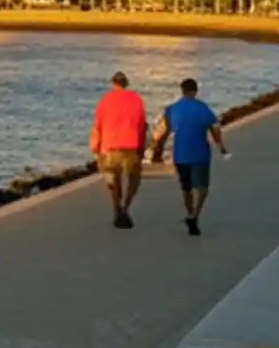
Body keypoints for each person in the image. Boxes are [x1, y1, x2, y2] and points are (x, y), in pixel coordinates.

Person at [152, 78, 228, 236]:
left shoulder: (172, 109)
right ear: (195, 91)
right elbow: (214, 127)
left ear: (182, 90)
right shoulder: (202, 108)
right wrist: (220, 146)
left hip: (180, 154)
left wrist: (157, 152)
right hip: (200, 153)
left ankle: (189, 212)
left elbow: (164, 132)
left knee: (186, 188)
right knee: (202, 188)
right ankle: (195, 214)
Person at [90, 71, 149, 228]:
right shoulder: (136, 100)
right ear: (126, 83)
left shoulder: (105, 100)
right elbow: (142, 127)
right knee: (134, 179)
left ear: (113, 83)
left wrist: (95, 148)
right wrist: (142, 149)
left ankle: (117, 209)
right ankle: (125, 206)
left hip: (110, 147)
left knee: (114, 179)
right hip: (131, 146)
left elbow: (97, 127)